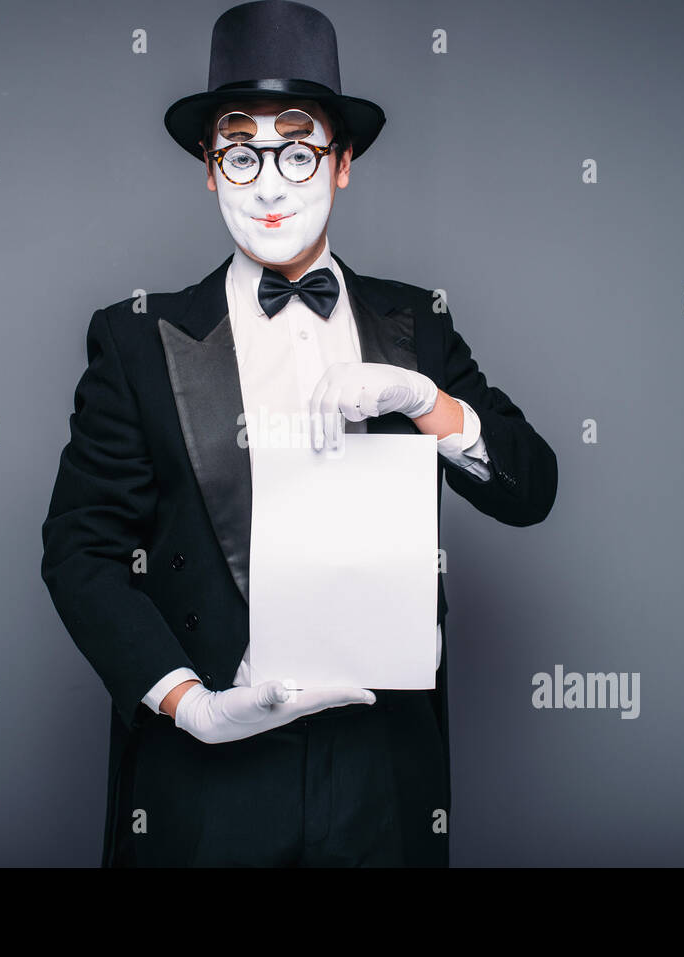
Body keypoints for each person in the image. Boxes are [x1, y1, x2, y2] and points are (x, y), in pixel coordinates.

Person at [40, 0, 557, 867]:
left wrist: (428, 400)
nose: (270, 185)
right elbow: (80, 552)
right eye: (241, 154)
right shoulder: (135, 340)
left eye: (298, 149)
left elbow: (531, 489)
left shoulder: (418, 325)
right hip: (207, 784)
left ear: (342, 163)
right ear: (210, 170)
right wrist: (190, 703)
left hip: (382, 776)